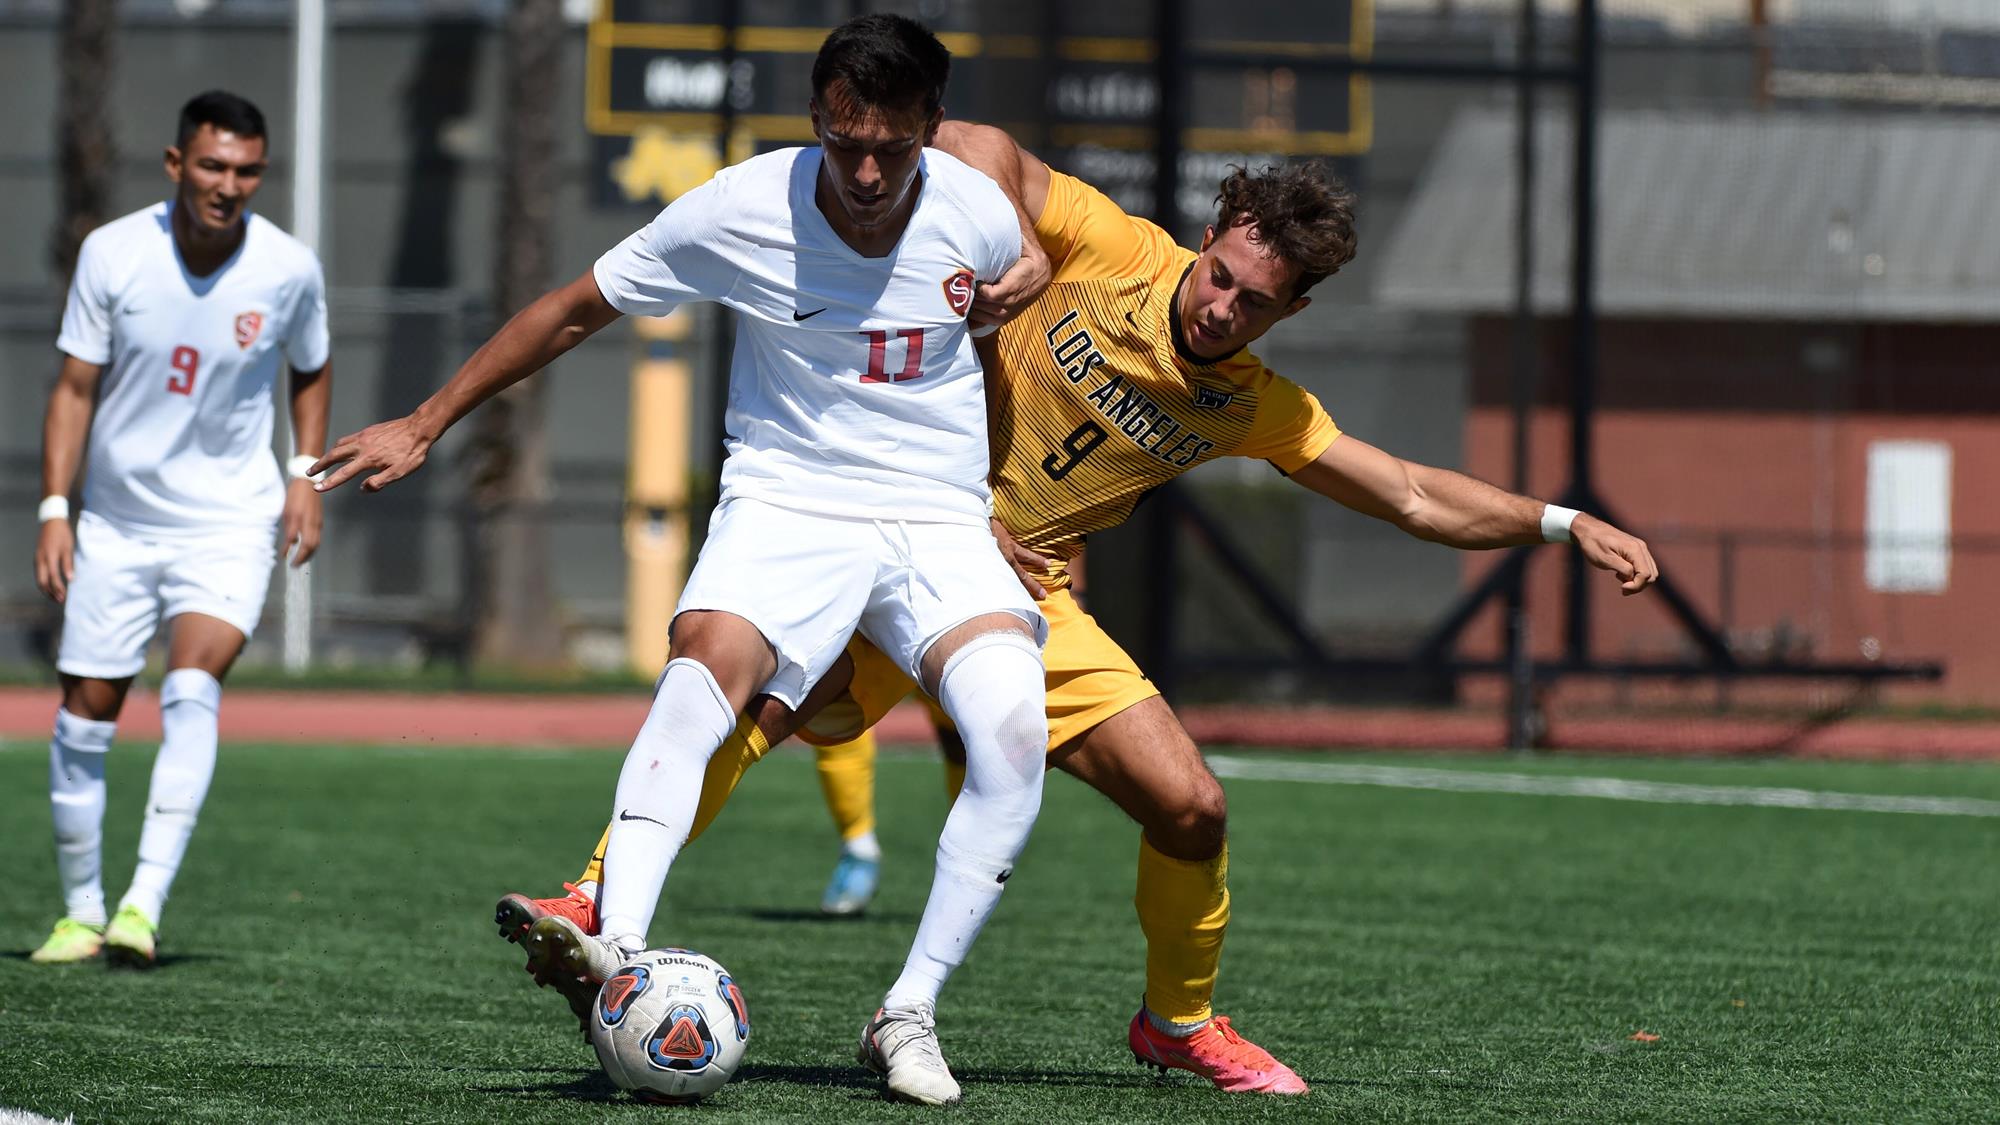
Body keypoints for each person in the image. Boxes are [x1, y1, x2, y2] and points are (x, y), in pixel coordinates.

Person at [501, 121, 1661, 1096]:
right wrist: (1024, 262)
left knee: (1192, 807)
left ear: (1287, 311)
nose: (1220, 309)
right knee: (748, 707)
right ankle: (597, 896)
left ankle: (1175, 1022)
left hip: (1012, 601)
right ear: (1206, 239)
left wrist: (1559, 523)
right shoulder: (1105, 246)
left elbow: (1407, 491)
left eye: (1253, 304)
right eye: (1219, 276)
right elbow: (966, 141)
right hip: (882, 530)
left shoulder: (1246, 402)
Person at [315, 15, 1053, 1107]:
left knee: (1011, 733)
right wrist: (426, 422)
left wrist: (1029, 269)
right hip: (788, 501)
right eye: (842, 140)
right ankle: (619, 952)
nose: (862, 170)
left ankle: (907, 1010)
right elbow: (572, 311)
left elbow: (1027, 258)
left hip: (936, 519)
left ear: (929, 132)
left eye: (890, 149)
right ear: (814, 118)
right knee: (703, 672)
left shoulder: (970, 206)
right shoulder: (739, 208)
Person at [29, 90, 332, 969]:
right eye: (211, 166)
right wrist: (57, 509)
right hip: (117, 524)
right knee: (86, 713)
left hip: (229, 521)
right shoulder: (112, 253)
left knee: (193, 680)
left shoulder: (287, 268)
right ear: (175, 165)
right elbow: (73, 388)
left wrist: (303, 477)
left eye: (246, 171)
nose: (227, 185)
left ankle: (141, 904)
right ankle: (81, 912)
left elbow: (312, 371)